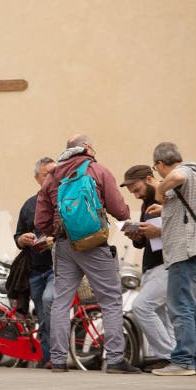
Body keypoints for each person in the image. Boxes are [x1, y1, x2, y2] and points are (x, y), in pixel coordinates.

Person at [36, 134, 139, 373]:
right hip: (93, 243)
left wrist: (62, 230)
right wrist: (120, 218)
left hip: (64, 245)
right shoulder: (98, 170)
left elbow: (41, 220)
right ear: (87, 148)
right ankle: (115, 359)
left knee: (61, 303)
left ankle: (59, 360)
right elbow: (119, 209)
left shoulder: (53, 176)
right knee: (111, 300)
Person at [148, 142, 196, 376]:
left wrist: (159, 191)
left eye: (157, 169)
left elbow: (176, 176)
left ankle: (183, 361)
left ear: (159, 163)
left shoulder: (186, 171)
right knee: (194, 310)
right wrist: (164, 208)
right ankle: (194, 362)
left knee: (180, 308)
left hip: (187, 253)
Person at [120, 165, 174, 371]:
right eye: (132, 191)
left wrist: (156, 231)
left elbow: (181, 229)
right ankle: (173, 357)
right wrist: (137, 237)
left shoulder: (167, 197)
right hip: (152, 265)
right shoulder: (146, 205)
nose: (136, 195)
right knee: (160, 313)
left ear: (150, 179)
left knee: (141, 306)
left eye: (136, 189)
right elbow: (148, 241)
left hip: (166, 264)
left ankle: (170, 355)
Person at [14, 157, 57, 368]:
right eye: (46, 174)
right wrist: (22, 240)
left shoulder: (62, 200)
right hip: (34, 270)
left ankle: (55, 356)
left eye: (54, 172)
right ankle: (47, 358)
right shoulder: (29, 205)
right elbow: (18, 236)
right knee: (42, 314)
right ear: (37, 178)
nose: (51, 177)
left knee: (50, 302)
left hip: (56, 268)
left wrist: (54, 240)